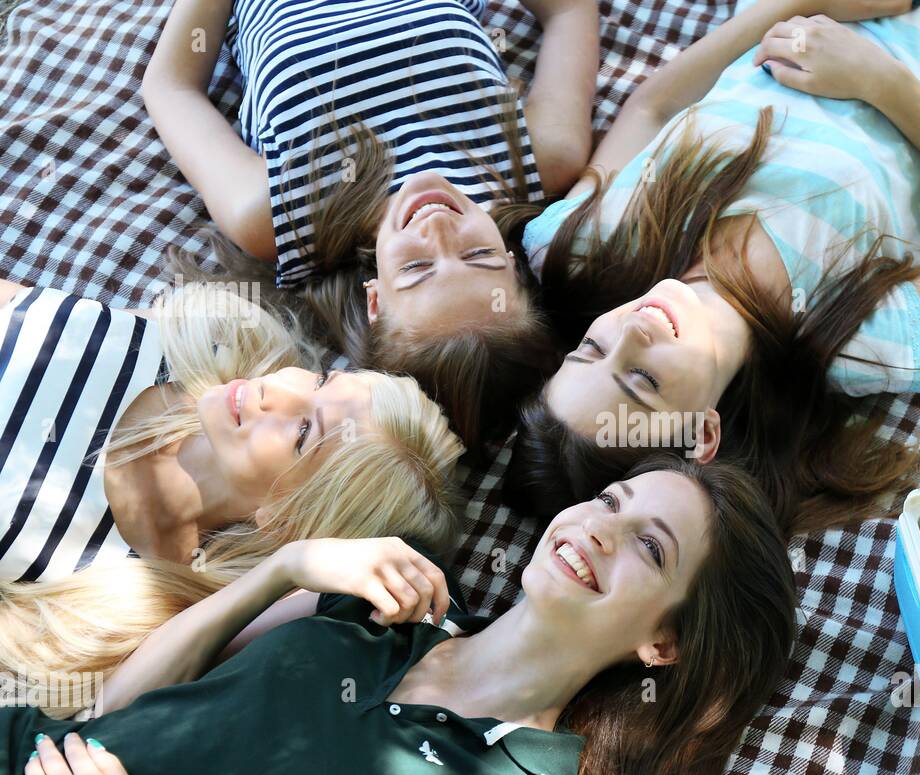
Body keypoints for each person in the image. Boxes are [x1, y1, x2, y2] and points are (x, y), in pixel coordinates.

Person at [5, 458, 797, 775]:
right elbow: (115, 715)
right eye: (614, 500)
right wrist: (284, 569)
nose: (600, 529)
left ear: (662, 645)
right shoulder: (380, 597)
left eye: (649, 548)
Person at [504, 0, 920, 532]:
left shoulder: (581, 245)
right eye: (644, 379)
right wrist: (883, 84)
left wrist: (801, 5)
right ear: (703, 433)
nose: (634, 329)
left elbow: (654, 107)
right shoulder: (853, 344)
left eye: (591, 349)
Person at [144, 0, 600, 450]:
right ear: (514, 264)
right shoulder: (538, 159)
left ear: (376, 299)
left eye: (418, 267)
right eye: (478, 256)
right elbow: (569, 11)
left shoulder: (277, 217)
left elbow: (171, 88)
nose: (437, 227)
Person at [0, 277, 464, 706]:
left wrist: (284, 569)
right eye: (323, 381)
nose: (278, 389)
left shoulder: (130, 600)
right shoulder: (174, 344)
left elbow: (107, 714)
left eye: (304, 432)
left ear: (283, 516)